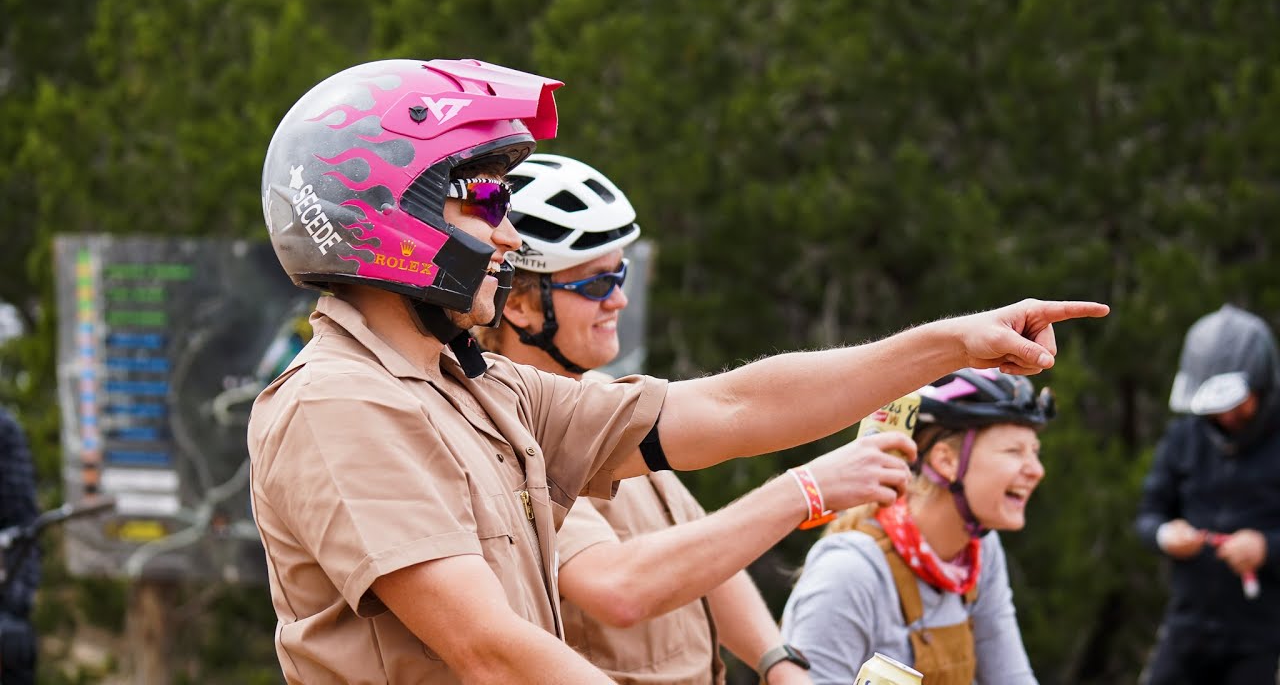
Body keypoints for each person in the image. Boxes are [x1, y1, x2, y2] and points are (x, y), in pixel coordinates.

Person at [248, 57, 1108, 684]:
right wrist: (809, 491)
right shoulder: (341, 404)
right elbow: (489, 651)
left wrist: (951, 343)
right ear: (385, 217)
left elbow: (729, 409)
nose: (509, 237)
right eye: (484, 202)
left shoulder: (478, 389)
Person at [480, 153, 918, 684]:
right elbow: (618, 587)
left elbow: (703, 549)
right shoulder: (508, 431)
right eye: (594, 284)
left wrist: (776, 661)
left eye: (621, 273)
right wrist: (806, 489)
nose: (618, 299)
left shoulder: (602, 399)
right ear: (521, 306)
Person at [780, 368, 1053, 684]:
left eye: (1035, 452)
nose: (1036, 470)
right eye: (1014, 451)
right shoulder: (848, 572)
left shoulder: (977, 554)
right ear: (946, 461)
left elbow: (1012, 677)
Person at [1135, 304, 1280, 685]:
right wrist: (1167, 535)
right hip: (1188, 626)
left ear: (1262, 384)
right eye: (1217, 407)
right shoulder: (1185, 436)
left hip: (1262, 634)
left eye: (1237, 404)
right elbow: (1149, 515)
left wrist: (1267, 547)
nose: (1226, 415)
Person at [0, 406, 40, 685]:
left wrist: (13, 604)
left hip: (4, 604)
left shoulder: (3, 429)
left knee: (14, 644)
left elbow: (23, 526)